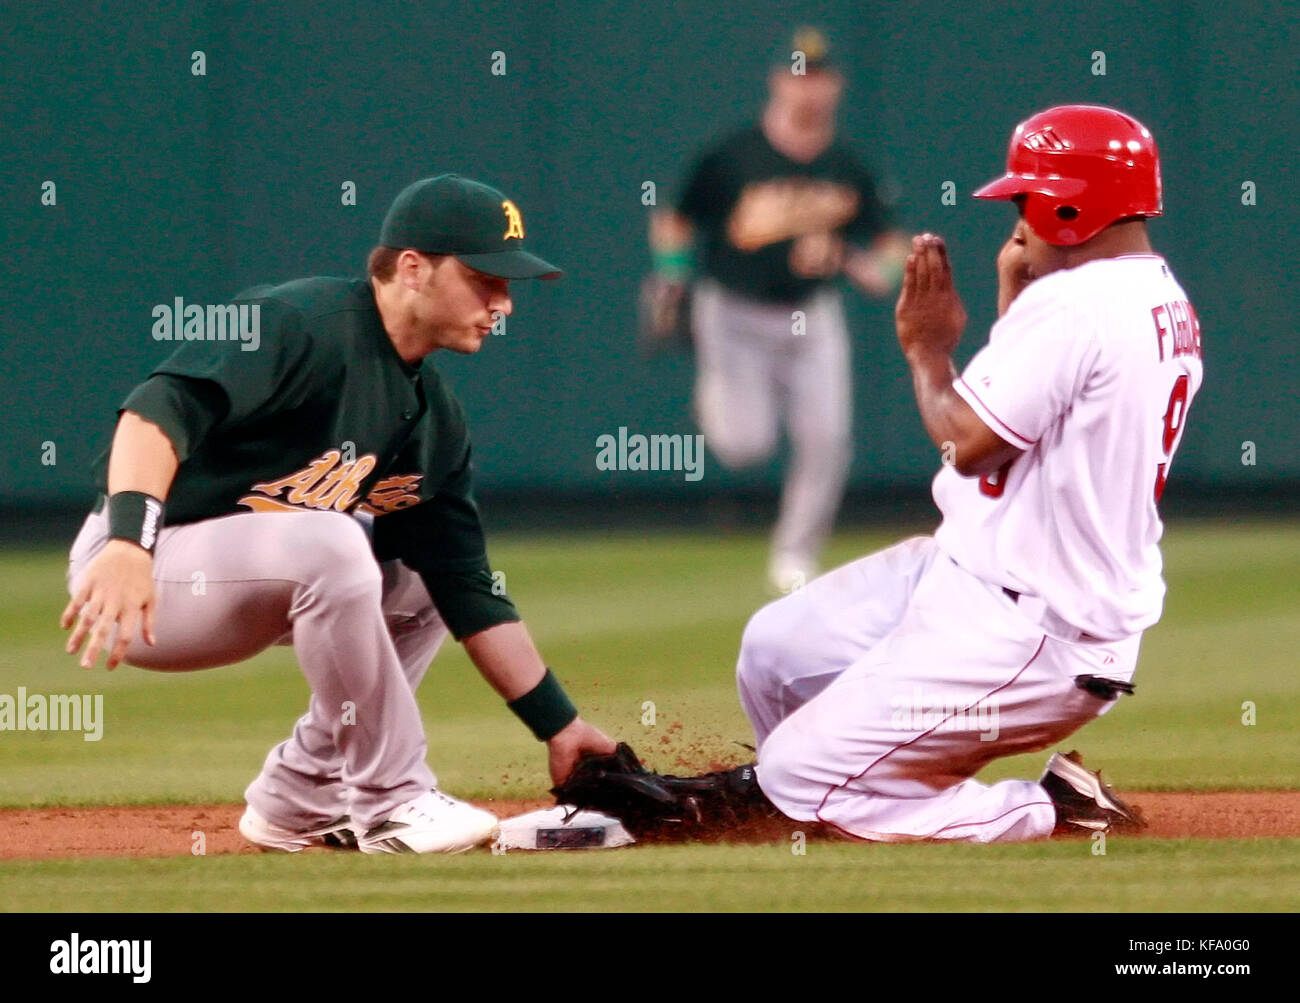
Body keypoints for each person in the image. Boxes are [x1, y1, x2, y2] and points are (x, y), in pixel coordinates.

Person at [61, 174, 616, 854]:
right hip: (142, 575)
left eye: (507, 285)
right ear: (412, 268)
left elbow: (469, 589)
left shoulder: (432, 416)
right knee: (334, 538)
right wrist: (127, 545)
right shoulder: (301, 324)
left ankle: (299, 798)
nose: (502, 301)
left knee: (419, 584)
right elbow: (156, 408)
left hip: (255, 577)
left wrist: (559, 724)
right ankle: (390, 800)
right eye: (484, 278)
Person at [732, 105, 1203, 842]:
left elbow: (970, 446)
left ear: (1070, 205)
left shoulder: (1078, 303)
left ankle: (1048, 808)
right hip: (973, 577)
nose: (1018, 217)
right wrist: (1015, 298)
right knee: (775, 651)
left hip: (1034, 629)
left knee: (795, 778)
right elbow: (1033, 424)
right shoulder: (1154, 294)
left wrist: (927, 351)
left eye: (1026, 198)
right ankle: (853, 787)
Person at [647, 28, 909, 593]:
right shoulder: (732, 154)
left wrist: (874, 270)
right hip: (733, 311)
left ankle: (794, 558)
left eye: (818, 77)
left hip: (812, 316)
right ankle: (713, 396)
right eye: (798, 76)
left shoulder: (848, 167)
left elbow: (891, 244)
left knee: (828, 438)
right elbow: (675, 216)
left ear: (835, 86)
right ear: (778, 83)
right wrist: (672, 274)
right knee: (744, 447)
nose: (808, 89)